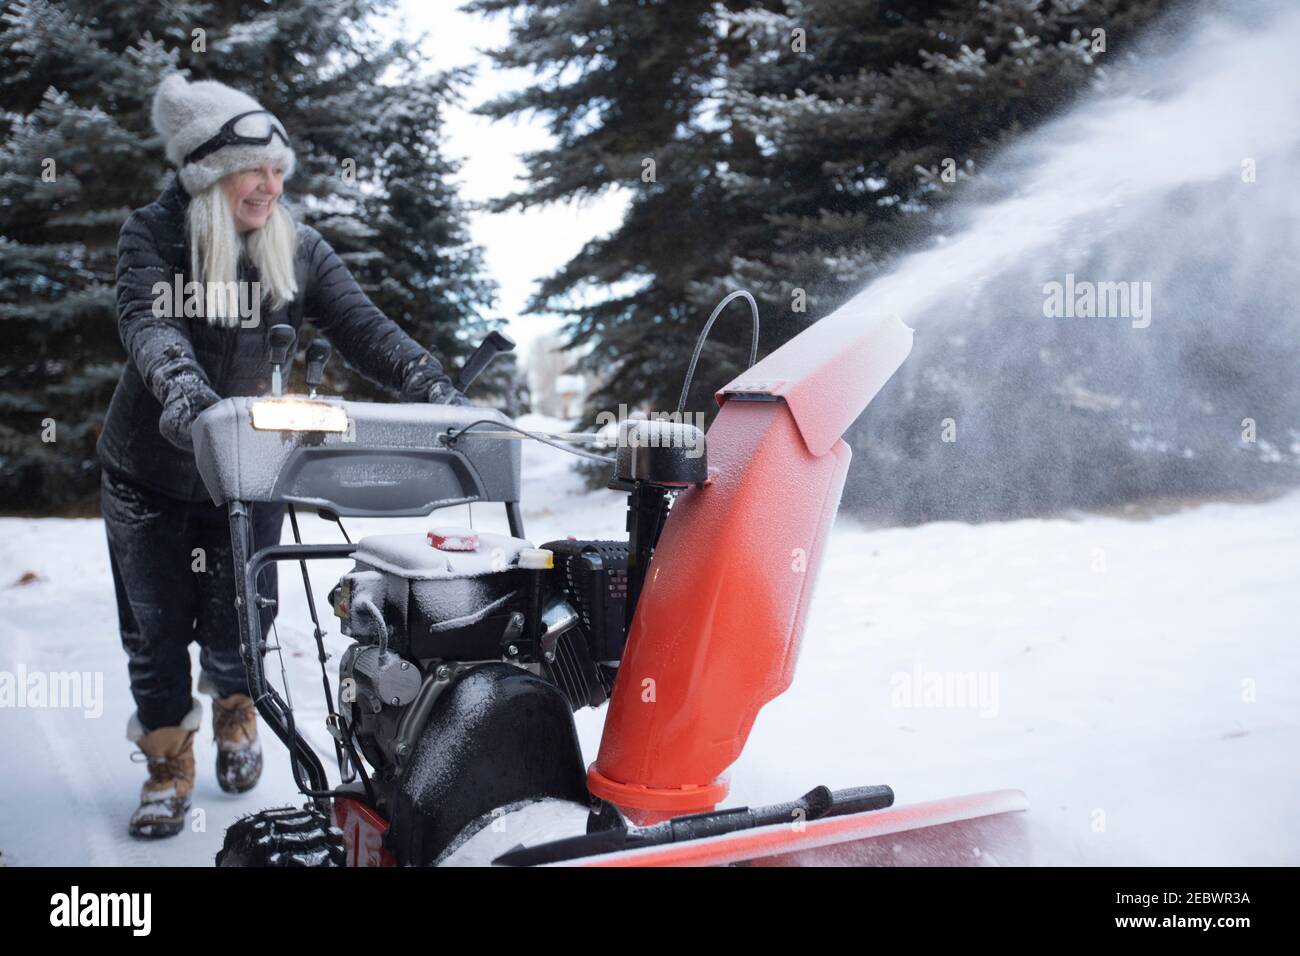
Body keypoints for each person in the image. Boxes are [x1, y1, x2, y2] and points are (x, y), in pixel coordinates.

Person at [97, 74, 469, 839]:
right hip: (151, 474)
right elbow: (148, 324)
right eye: (254, 169)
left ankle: (237, 709)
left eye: (278, 171)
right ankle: (168, 762)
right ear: (208, 171)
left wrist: (428, 380)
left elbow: (362, 326)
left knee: (244, 618)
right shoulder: (155, 233)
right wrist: (186, 399)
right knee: (156, 631)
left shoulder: (293, 245)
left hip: (247, 468)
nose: (270, 185)